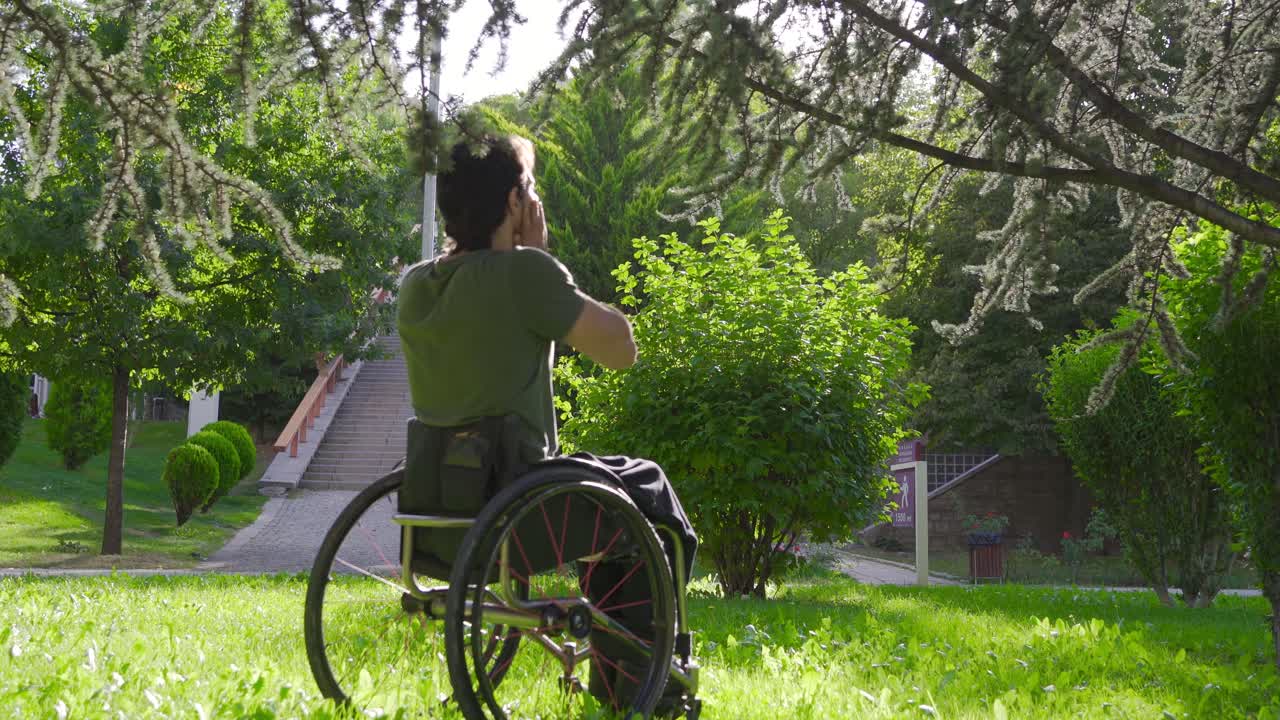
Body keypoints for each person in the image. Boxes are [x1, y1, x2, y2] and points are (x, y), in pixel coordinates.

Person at [396, 133, 697, 712]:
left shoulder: (415, 286)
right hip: (521, 511)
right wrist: (541, 259)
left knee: (621, 491)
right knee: (650, 495)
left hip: (439, 520)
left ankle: (629, 675)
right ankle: (640, 682)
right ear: (513, 203)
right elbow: (621, 349)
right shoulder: (526, 277)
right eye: (528, 190)